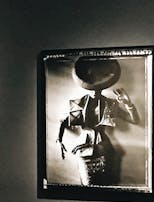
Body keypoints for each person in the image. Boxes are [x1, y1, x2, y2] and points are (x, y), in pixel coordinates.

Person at [56, 57, 139, 186]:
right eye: (92, 88)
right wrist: (59, 139)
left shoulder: (110, 104)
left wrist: (128, 104)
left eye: (99, 88)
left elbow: (134, 120)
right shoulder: (79, 104)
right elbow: (64, 121)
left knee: (106, 185)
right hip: (83, 148)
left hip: (104, 148)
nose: (95, 91)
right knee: (87, 184)